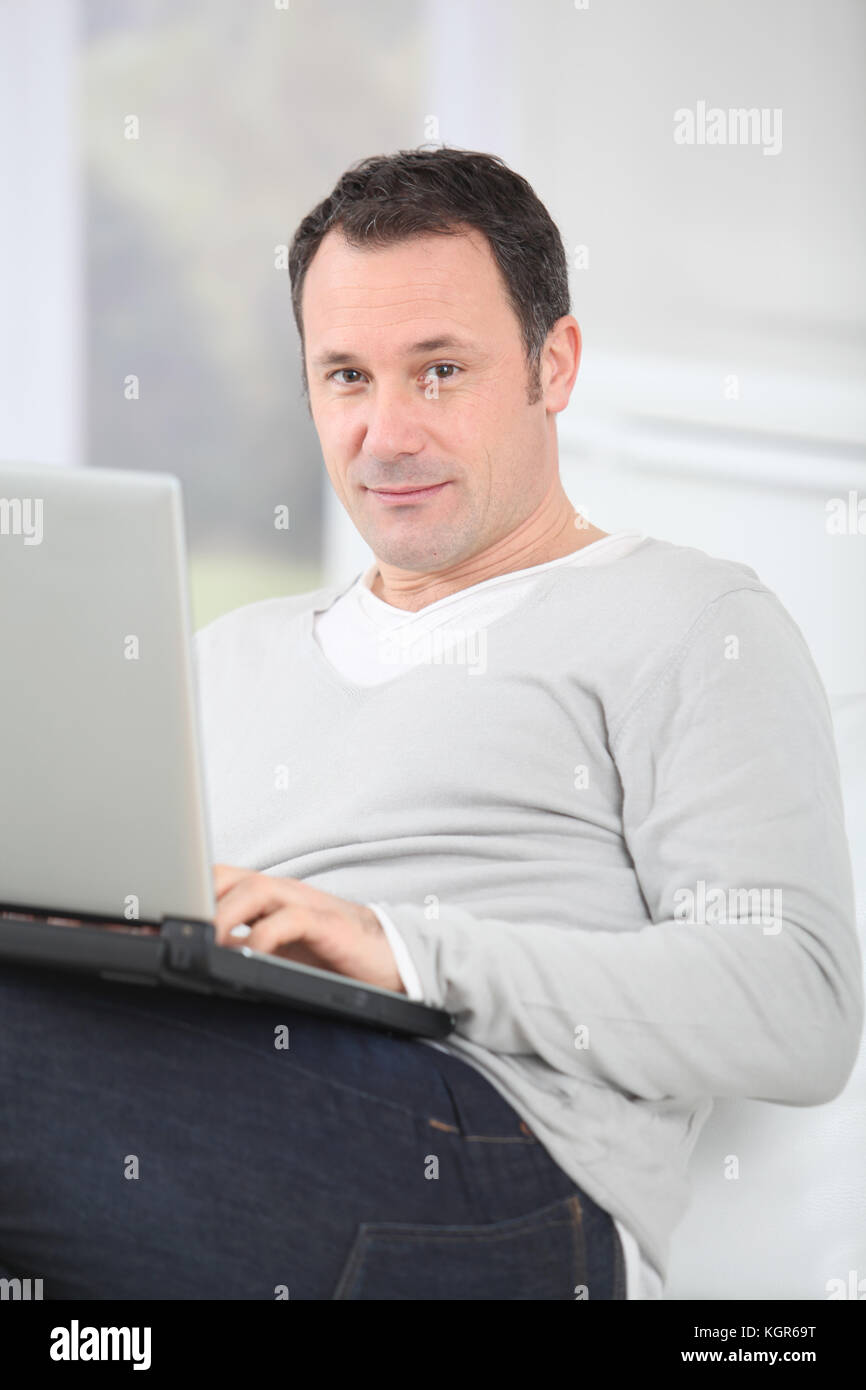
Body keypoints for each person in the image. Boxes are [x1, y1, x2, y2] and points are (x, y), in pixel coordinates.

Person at [0, 147, 861, 1301]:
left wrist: (400, 946)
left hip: (494, 1176)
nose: (386, 432)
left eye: (439, 371)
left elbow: (797, 1002)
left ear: (551, 365)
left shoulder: (689, 619)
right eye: (346, 377)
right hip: (197, 1094)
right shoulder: (220, 654)